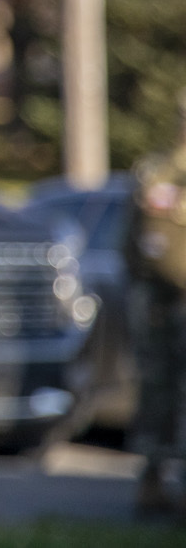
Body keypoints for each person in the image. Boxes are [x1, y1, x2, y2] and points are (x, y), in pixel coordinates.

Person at [131, 97, 186, 516]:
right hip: (162, 300)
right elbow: (146, 237)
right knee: (158, 390)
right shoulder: (163, 170)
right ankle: (153, 481)